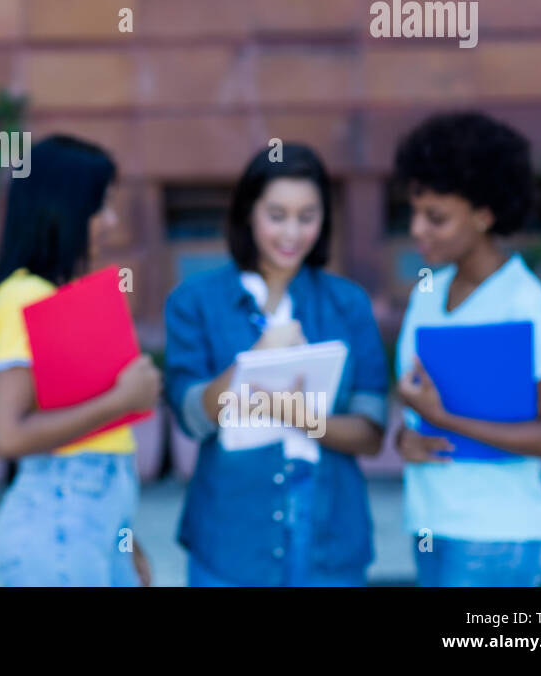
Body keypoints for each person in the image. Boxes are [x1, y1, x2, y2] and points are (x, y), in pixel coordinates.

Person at [164, 142, 388, 586]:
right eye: (277, 215)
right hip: (231, 529)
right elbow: (191, 417)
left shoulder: (348, 304)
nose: (292, 234)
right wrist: (255, 360)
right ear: (249, 213)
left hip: (329, 525)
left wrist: (303, 419)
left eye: (308, 217)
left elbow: (371, 432)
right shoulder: (196, 301)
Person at [392, 111, 541, 586]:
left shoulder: (526, 305)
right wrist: (406, 440)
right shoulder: (427, 293)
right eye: (413, 212)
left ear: (484, 214)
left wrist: (446, 418)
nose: (417, 230)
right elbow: (417, 409)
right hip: (431, 524)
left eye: (437, 218)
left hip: (498, 536)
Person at [0, 135, 161, 586]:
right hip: (57, 529)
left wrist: (126, 540)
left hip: (90, 528)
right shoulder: (24, 296)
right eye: (100, 205)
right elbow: (9, 434)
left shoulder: (59, 299)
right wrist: (124, 400)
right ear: (62, 208)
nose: (111, 220)